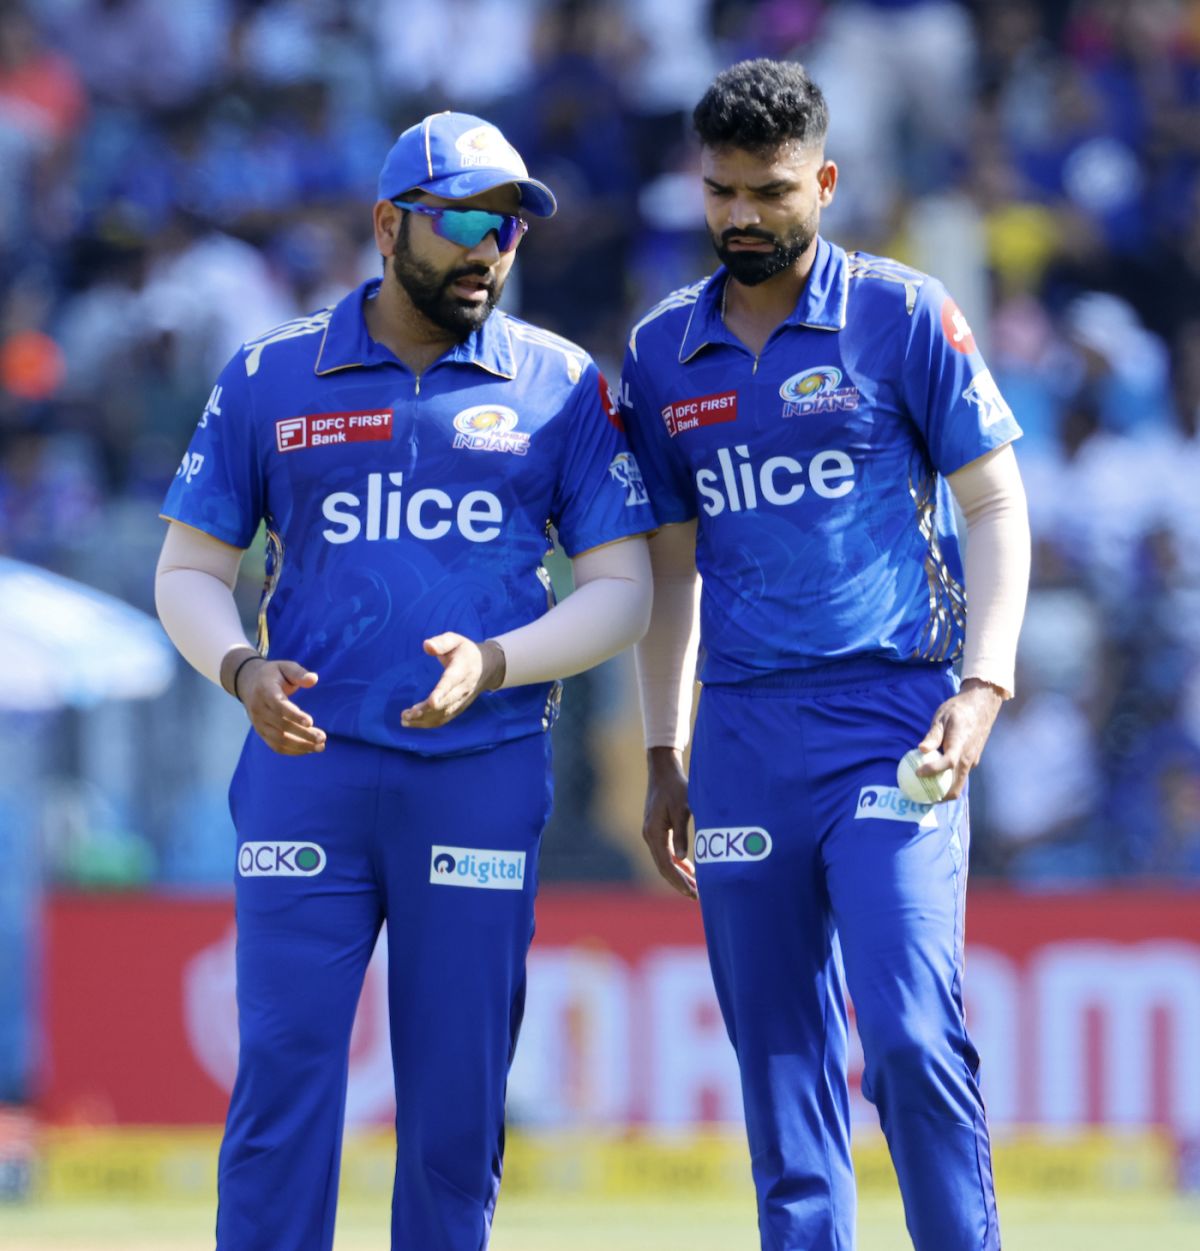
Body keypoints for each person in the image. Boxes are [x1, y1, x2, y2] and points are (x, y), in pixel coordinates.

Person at [154, 110, 655, 1251]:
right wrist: (238, 667)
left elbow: (622, 592)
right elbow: (187, 569)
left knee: (454, 1113)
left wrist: (496, 663)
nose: (490, 250)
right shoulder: (273, 374)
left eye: (511, 230)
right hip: (306, 776)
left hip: (479, 775)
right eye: (467, 221)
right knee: (282, 1096)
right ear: (390, 225)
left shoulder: (564, 384)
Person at [619, 60, 1030, 1251]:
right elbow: (667, 567)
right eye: (722, 192)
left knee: (907, 1031)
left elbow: (996, 504)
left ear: (828, 182)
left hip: (891, 719)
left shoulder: (902, 314)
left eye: (772, 191)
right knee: (779, 1062)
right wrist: (663, 747)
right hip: (742, 737)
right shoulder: (659, 355)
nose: (742, 216)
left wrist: (984, 684)